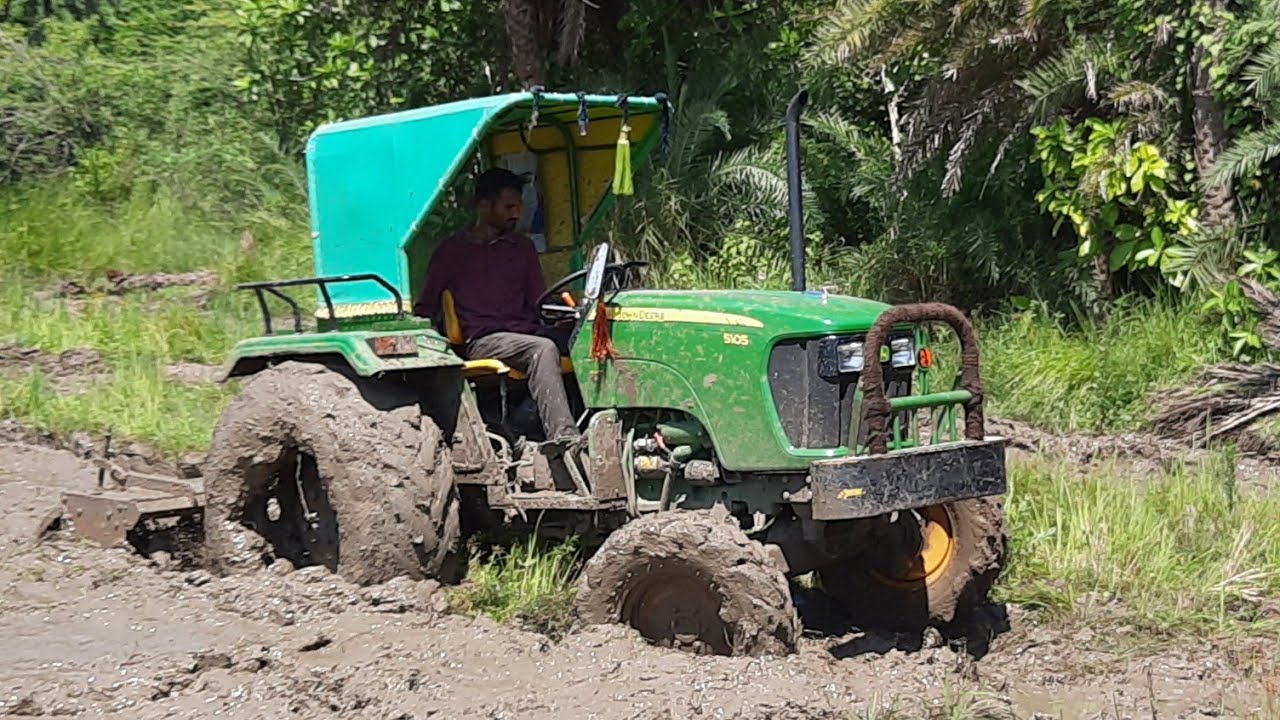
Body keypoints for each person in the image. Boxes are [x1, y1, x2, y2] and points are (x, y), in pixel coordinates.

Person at [413, 167, 582, 448]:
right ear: (483, 206)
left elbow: (539, 300)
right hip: (484, 339)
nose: (516, 213)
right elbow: (426, 305)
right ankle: (564, 440)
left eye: (519, 207)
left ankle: (603, 425)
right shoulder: (452, 251)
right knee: (542, 349)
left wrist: (570, 315)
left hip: (526, 331)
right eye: (509, 207)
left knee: (589, 339)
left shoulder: (522, 248)